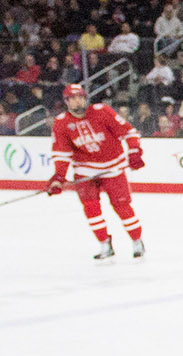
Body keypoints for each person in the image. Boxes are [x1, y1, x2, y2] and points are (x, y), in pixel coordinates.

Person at [45, 84, 145, 260]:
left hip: (112, 167)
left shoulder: (102, 111)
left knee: (121, 206)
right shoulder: (61, 123)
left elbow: (129, 132)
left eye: (80, 97)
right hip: (85, 171)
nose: (77, 101)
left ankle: (137, 240)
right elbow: (61, 153)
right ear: (66, 101)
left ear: (85, 98)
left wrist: (135, 151)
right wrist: (59, 177)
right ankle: (104, 243)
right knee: (91, 208)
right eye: (72, 98)